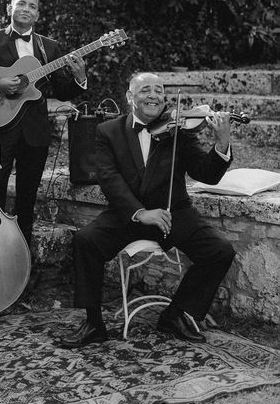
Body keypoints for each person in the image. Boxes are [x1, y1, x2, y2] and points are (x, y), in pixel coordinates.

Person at [59, 71, 235, 348]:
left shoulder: (178, 130)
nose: (154, 95)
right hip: (128, 213)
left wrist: (221, 143)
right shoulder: (109, 131)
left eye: (159, 89)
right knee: (85, 241)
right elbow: (109, 178)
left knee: (220, 250)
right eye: (145, 90)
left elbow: (206, 173)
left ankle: (175, 314)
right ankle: (93, 323)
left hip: (173, 212)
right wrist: (140, 213)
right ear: (131, 98)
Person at [0, 0, 87, 249]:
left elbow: (61, 91)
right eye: (21, 4)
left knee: (26, 200)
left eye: (32, 6)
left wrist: (79, 78)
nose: (27, 9)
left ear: (37, 14)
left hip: (35, 134)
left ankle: (22, 258)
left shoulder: (48, 47)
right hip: (0, 130)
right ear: (11, 9)